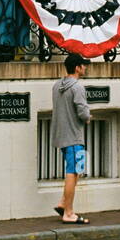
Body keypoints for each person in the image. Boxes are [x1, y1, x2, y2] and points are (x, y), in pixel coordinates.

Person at [50, 53, 92, 225]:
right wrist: (89, 117)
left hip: (62, 135)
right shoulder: (77, 87)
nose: (86, 67)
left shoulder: (56, 85)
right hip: (75, 136)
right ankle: (69, 212)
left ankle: (62, 203)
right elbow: (82, 112)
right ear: (77, 67)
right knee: (73, 172)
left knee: (78, 170)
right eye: (84, 65)